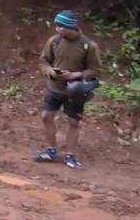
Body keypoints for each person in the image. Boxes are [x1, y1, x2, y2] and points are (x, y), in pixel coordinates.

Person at [35, 9, 101, 169]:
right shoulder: (54, 41)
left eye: (61, 26)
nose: (57, 29)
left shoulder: (88, 46)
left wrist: (75, 75)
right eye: (56, 26)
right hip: (54, 87)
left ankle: (70, 156)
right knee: (46, 116)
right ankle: (51, 151)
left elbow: (95, 70)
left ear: (70, 27)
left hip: (75, 90)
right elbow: (43, 61)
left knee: (73, 122)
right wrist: (51, 72)